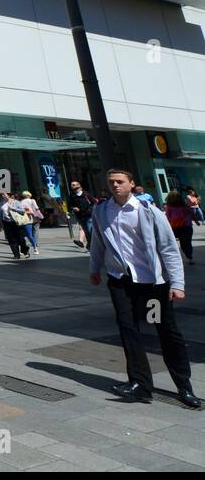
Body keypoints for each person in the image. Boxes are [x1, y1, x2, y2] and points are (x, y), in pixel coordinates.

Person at [89, 168, 198, 408]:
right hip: (120, 280)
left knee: (165, 331)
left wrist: (177, 283)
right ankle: (140, 384)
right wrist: (94, 267)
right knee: (128, 329)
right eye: (111, 182)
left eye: (120, 181)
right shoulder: (102, 210)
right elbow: (97, 240)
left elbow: (169, 247)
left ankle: (184, 386)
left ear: (131, 184)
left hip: (151, 284)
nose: (115, 186)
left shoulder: (148, 211)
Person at [165, 190, 195, 265]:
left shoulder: (169, 206)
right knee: (187, 243)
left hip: (176, 227)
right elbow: (191, 213)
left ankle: (184, 257)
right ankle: (189, 257)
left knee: (181, 244)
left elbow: (168, 217)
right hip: (186, 226)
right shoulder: (185, 205)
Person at [0, 192, 32, 259]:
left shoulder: (16, 202)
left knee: (21, 239)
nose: (2, 196)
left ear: (9, 195)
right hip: (7, 223)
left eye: (4, 194)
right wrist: (0, 224)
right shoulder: (2, 203)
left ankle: (25, 251)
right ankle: (16, 255)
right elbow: (0, 214)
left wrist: (13, 208)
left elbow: (23, 211)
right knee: (11, 239)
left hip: (16, 223)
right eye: (2, 194)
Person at [68, 180, 95, 249]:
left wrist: (90, 209)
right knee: (86, 232)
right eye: (72, 185)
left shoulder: (86, 194)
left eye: (74, 185)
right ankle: (90, 245)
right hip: (80, 216)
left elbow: (94, 203)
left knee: (90, 231)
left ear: (78, 186)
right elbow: (70, 205)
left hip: (88, 215)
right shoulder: (72, 196)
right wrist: (74, 208)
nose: (72, 186)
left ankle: (91, 245)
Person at [20, 190, 44, 255]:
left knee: (27, 235)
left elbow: (25, 210)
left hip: (26, 219)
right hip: (33, 218)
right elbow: (36, 209)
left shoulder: (21, 202)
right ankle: (35, 246)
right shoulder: (32, 200)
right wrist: (40, 216)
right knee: (35, 232)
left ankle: (25, 249)